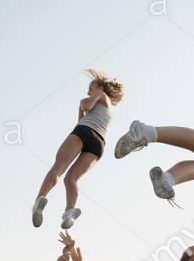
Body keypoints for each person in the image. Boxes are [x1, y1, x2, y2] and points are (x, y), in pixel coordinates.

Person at [30, 69, 124, 230]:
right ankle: (69, 212)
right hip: (99, 144)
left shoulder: (100, 95)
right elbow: (82, 119)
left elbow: (85, 109)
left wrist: (82, 103)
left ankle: (40, 198)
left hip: (84, 132)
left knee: (58, 168)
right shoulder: (109, 110)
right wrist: (82, 109)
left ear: (100, 87)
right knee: (71, 179)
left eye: (91, 88)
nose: (88, 92)